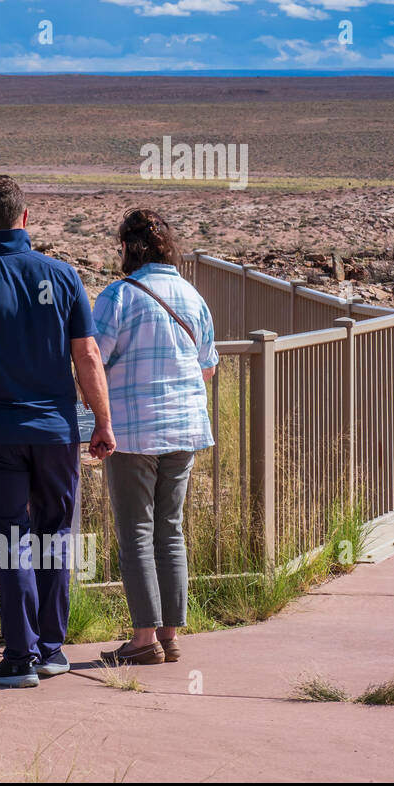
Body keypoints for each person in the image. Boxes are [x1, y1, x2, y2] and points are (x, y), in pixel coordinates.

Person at [0, 176, 115, 688]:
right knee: (55, 534)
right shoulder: (62, 276)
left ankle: (19, 657)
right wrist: (101, 420)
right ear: (26, 218)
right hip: (57, 431)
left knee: (10, 538)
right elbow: (88, 354)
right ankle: (53, 651)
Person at [92, 208, 217, 666]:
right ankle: (170, 635)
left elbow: (92, 362)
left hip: (132, 430)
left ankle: (143, 640)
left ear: (129, 247)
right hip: (184, 429)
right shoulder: (191, 295)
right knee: (171, 531)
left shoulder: (118, 296)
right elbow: (207, 366)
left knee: (136, 533)